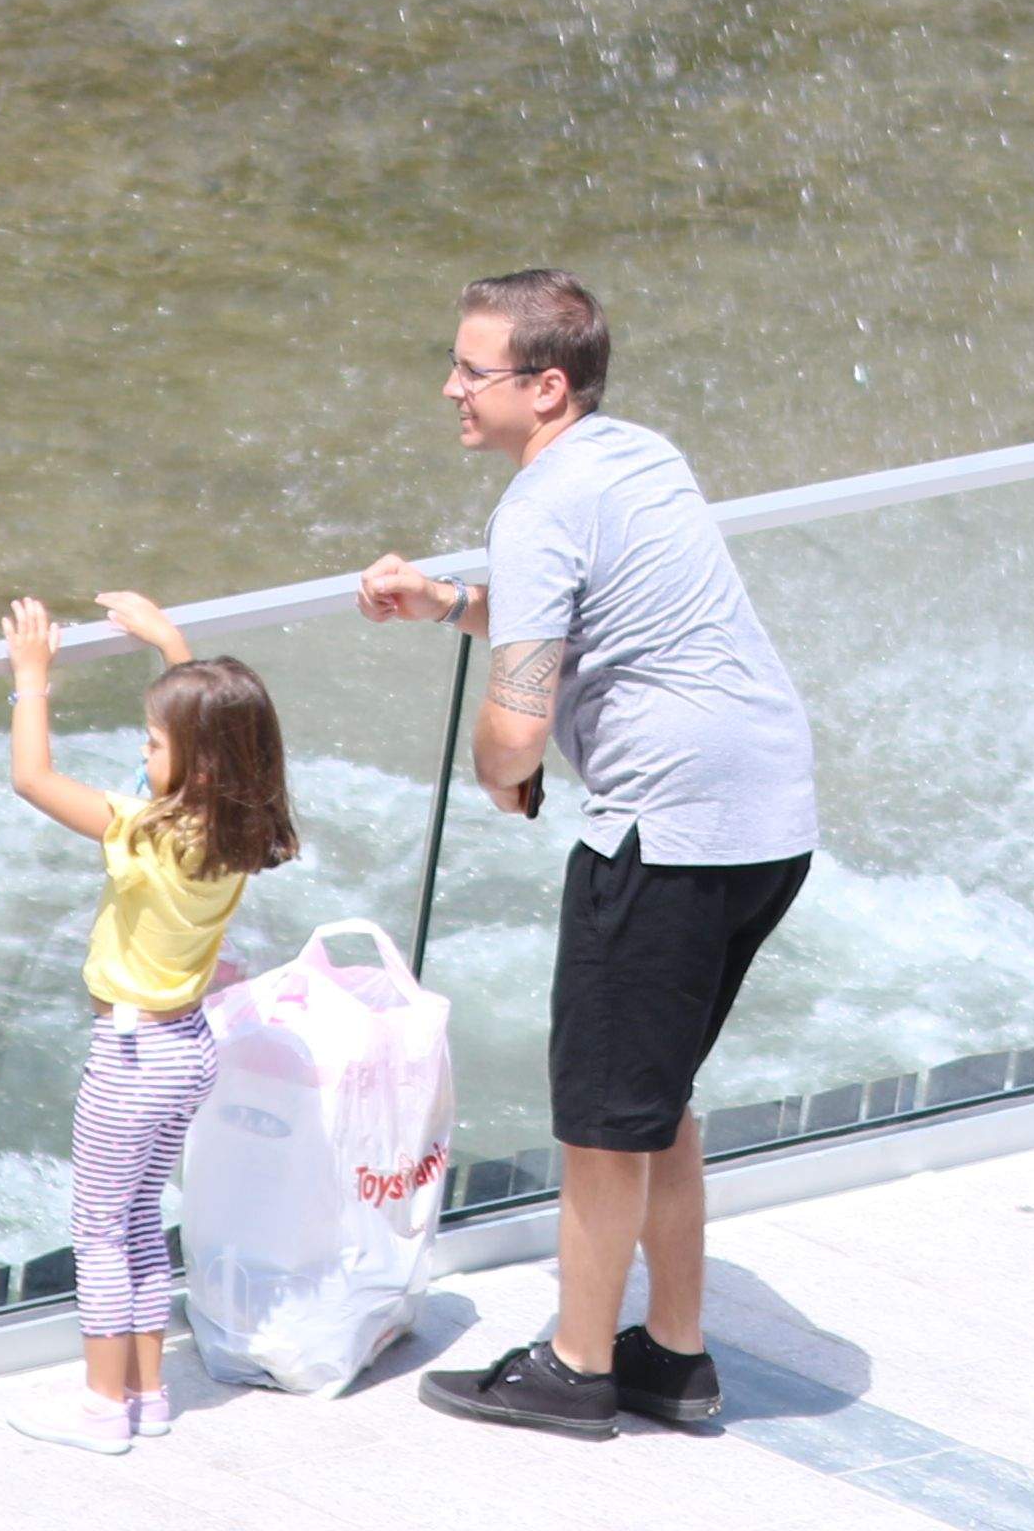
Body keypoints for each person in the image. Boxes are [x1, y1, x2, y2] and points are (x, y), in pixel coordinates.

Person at [360, 268, 816, 1440]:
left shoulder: (539, 504)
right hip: (766, 819)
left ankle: (575, 1367)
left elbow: (516, 721)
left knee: (606, 1120)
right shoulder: (638, 456)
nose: (451, 388)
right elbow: (576, 615)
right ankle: (673, 1356)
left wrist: (505, 771)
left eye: (473, 370)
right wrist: (445, 601)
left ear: (545, 387)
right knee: (656, 1100)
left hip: (666, 834)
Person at [0, 586, 305, 1455]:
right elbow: (206, 737)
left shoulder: (145, 834)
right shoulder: (229, 831)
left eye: (154, 740)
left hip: (131, 1057)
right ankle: (147, 1393)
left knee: (98, 1229)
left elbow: (32, 778)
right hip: (184, 1048)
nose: (144, 749)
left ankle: (101, 1410)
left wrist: (32, 676)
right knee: (136, 1223)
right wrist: (171, 644)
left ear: (194, 765)